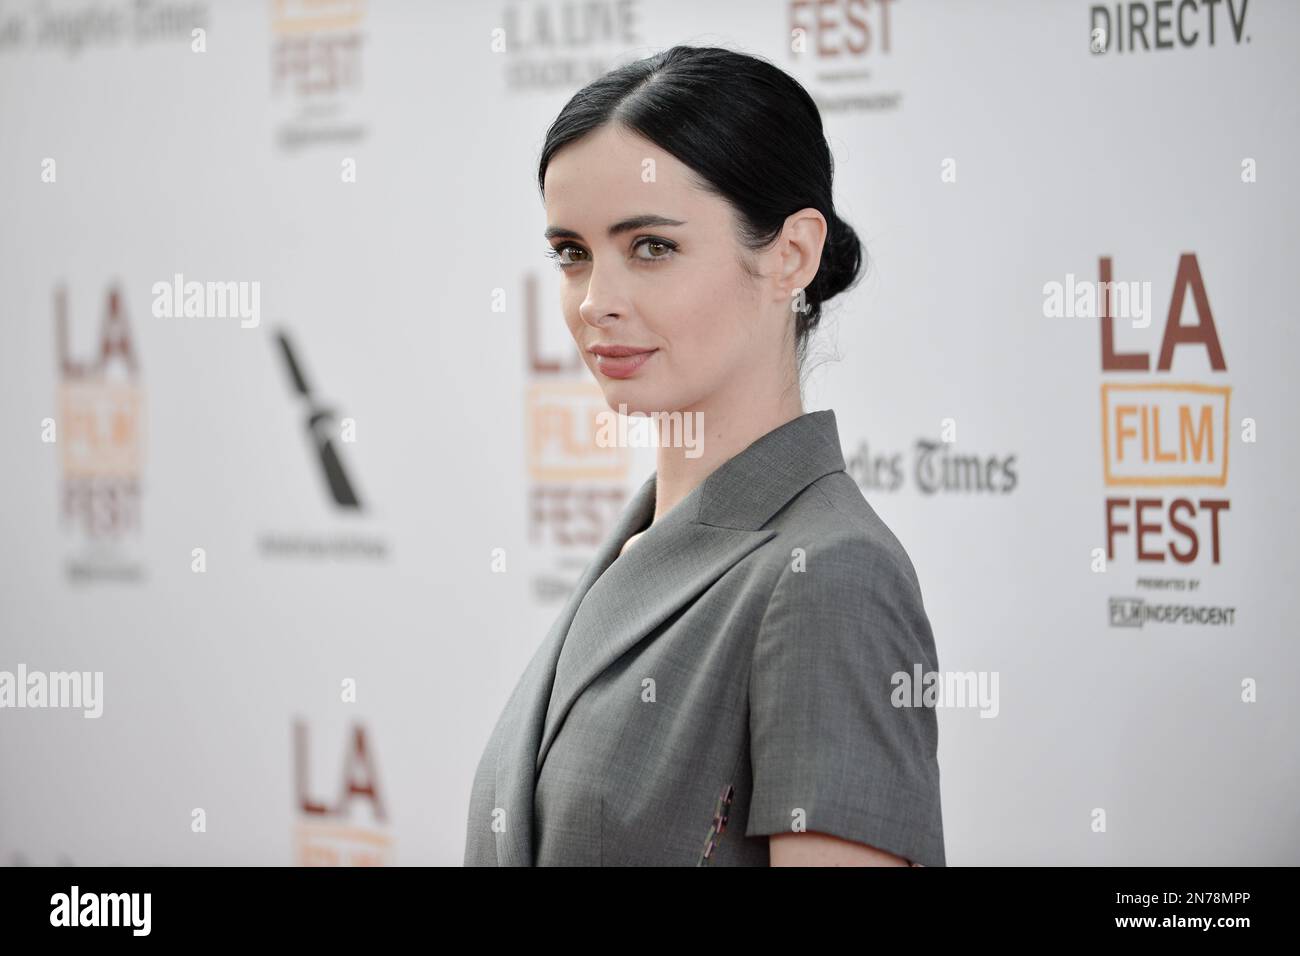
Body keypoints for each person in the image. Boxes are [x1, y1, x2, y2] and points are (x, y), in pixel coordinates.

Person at [464, 45, 944, 867]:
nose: (594, 303)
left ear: (790, 255)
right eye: (572, 253)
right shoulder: (641, 545)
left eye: (651, 247)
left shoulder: (829, 575)